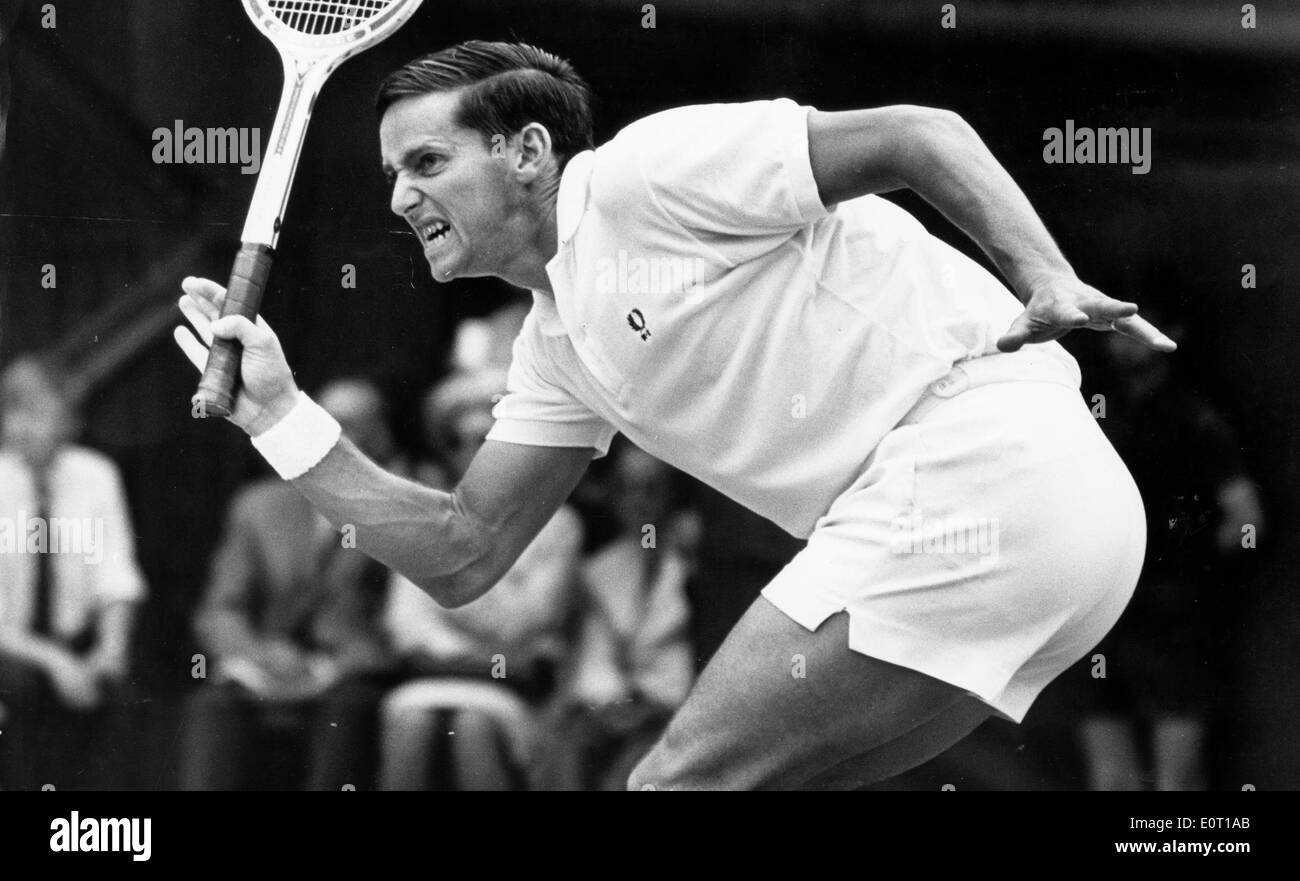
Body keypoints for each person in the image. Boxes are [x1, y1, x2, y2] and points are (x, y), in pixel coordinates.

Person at [175, 40, 1176, 790]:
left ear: (527, 151)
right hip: (1071, 537)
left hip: (981, 464)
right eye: (393, 173)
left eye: (428, 163)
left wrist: (1042, 276)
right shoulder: (554, 349)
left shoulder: (645, 175)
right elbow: (463, 551)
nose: (399, 198)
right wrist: (280, 417)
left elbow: (920, 136)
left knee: (671, 786)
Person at [1076, 311, 1263, 791]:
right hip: (1102, 616)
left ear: (1173, 334)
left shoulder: (1196, 420)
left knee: (1175, 784)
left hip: (1172, 619)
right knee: (1110, 779)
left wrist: (1187, 561)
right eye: (1116, 333)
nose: (1123, 345)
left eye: (1138, 331)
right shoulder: (1095, 412)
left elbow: (1247, 521)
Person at [179, 378, 395, 790]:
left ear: (379, 435)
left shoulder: (399, 506)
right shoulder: (259, 507)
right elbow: (220, 609)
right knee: (212, 706)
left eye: (352, 425)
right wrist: (261, 654)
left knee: (348, 709)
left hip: (349, 673)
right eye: (325, 422)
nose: (336, 436)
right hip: (267, 662)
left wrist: (331, 667)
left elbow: (397, 622)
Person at [377, 367, 581, 790]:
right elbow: (404, 624)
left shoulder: (557, 523)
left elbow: (529, 622)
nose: (473, 454)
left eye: (487, 440)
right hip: (440, 677)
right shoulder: (427, 514)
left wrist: (450, 574)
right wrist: (470, 649)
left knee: (473, 728)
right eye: (460, 441)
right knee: (411, 725)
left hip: (516, 688)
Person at [0, 356, 147, 790]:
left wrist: (111, 648)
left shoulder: (96, 474)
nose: (31, 428)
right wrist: (57, 663)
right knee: (20, 689)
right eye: (20, 412)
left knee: (118, 692)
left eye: (51, 416)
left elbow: (116, 574)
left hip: (76, 639)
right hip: (12, 649)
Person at [540, 441, 698, 791]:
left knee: (636, 765)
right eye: (627, 490)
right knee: (569, 744)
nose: (638, 502)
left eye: (651, 490)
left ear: (671, 497)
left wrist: (652, 704)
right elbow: (594, 661)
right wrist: (612, 703)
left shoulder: (692, 569)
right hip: (615, 709)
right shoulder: (598, 571)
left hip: (674, 709)